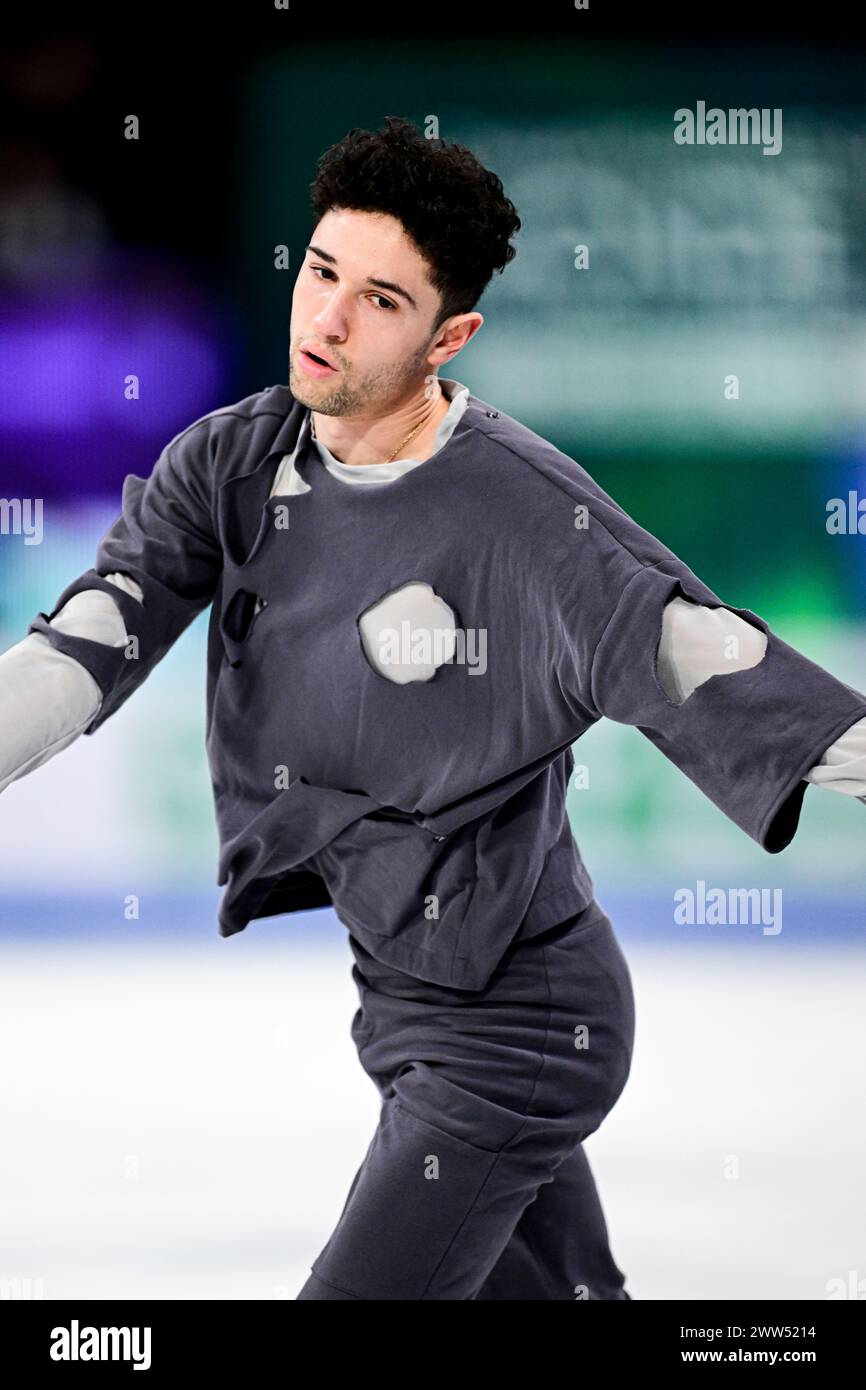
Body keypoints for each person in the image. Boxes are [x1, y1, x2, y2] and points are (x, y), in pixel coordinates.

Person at [3, 117, 865, 1300]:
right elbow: (91, 638)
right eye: (318, 273)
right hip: (407, 1010)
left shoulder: (526, 518)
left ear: (449, 335)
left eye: (380, 300)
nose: (328, 320)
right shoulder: (231, 464)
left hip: (515, 1032)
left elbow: (715, 664)